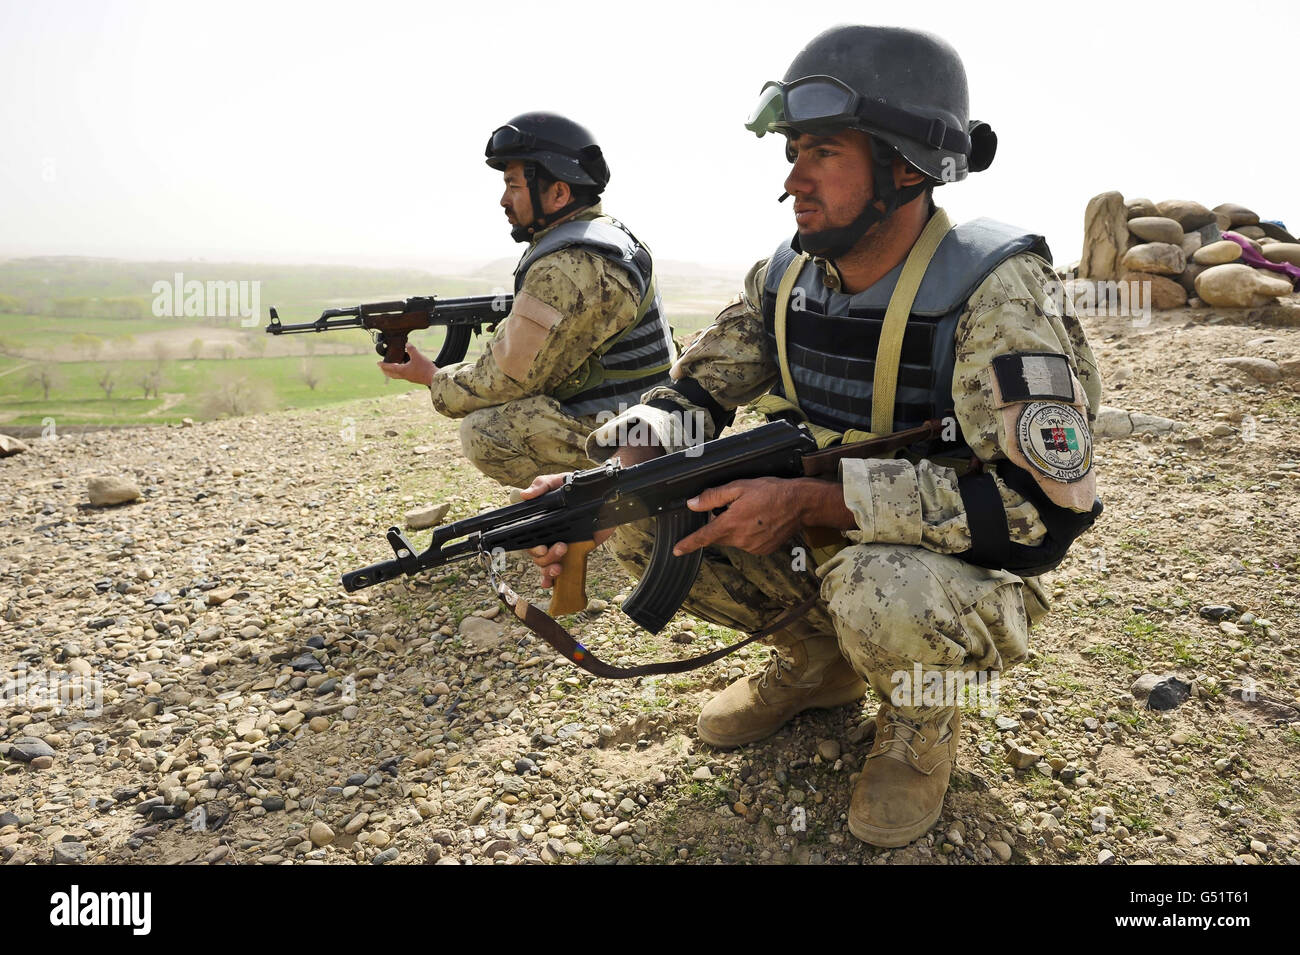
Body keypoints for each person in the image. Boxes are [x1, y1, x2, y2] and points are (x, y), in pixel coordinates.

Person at [526, 25, 1102, 848]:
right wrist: (614, 474)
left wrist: (813, 500)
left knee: (879, 585)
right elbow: (693, 390)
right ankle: (820, 665)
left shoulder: (996, 291)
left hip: (954, 572)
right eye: (792, 151)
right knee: (651, 512)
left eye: (822, 152)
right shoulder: (790, 276)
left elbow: (1043, 517)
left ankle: (925, 716)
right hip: (831, 536)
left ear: (905, 165)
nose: (791, 179)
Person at [379, 112, 675, 488]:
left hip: (639, 443)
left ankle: (604, 517)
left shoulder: (566, 267)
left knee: (487, 431)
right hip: (657, 419)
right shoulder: (609, 235)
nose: (504, 200)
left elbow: (506, 381)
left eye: (513, 186)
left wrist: (433, 378)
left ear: (558, 193)